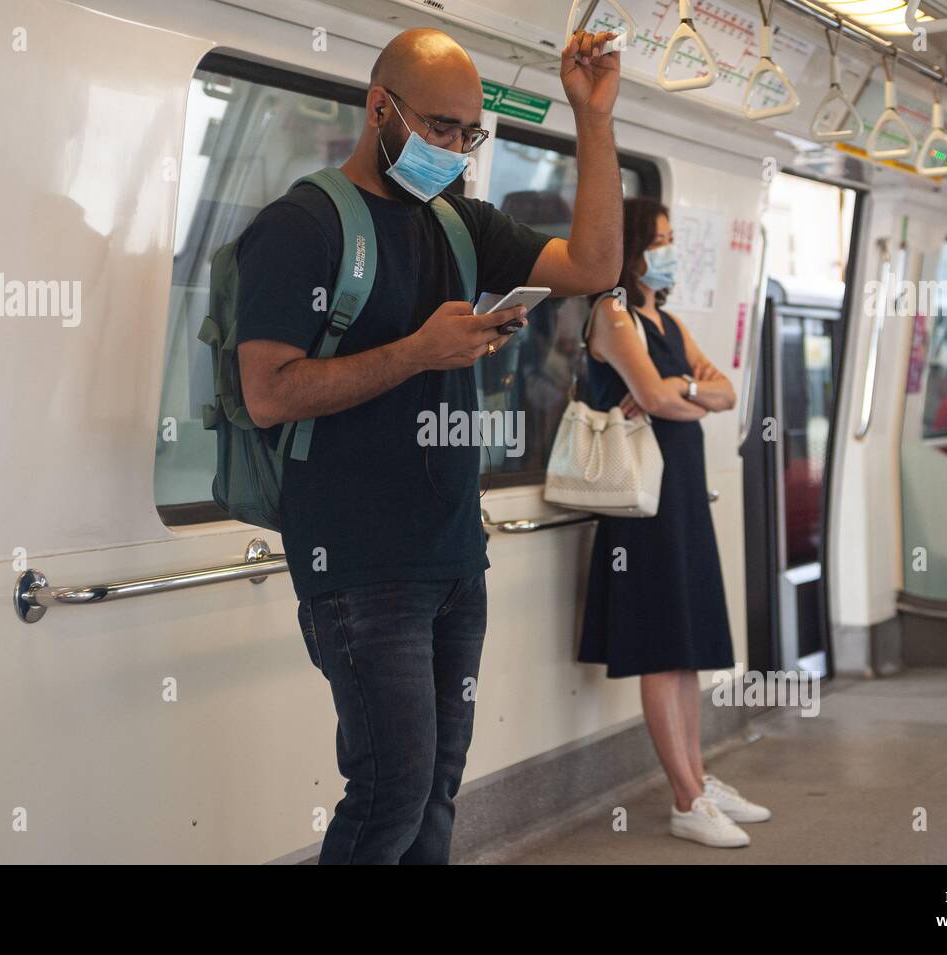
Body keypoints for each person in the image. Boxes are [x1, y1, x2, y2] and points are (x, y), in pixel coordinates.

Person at [235, 27, 625, 864]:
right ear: (381, 108)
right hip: (359, 563)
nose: (455, 150)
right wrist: (418, 351)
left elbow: (595, 263)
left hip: (453, 557)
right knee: (390, 789)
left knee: (438, 788)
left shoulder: (461, 225)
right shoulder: (300, 227)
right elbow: (268, 392)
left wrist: (593, 118)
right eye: (440, 128)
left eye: (467, 134)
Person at [579, 197, 769, 848]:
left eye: (671, 239)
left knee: (686, 649)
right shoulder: (612, 315)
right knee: (662, 651)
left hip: (681, 498)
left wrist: (683, 390)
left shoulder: (668, 323)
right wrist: (683, 392)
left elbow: (724, 391)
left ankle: (699, 777)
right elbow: (655, 396)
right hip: (642, 508)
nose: (669, 252)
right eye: (658, 240)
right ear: (630, 250)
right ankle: (685, 798)